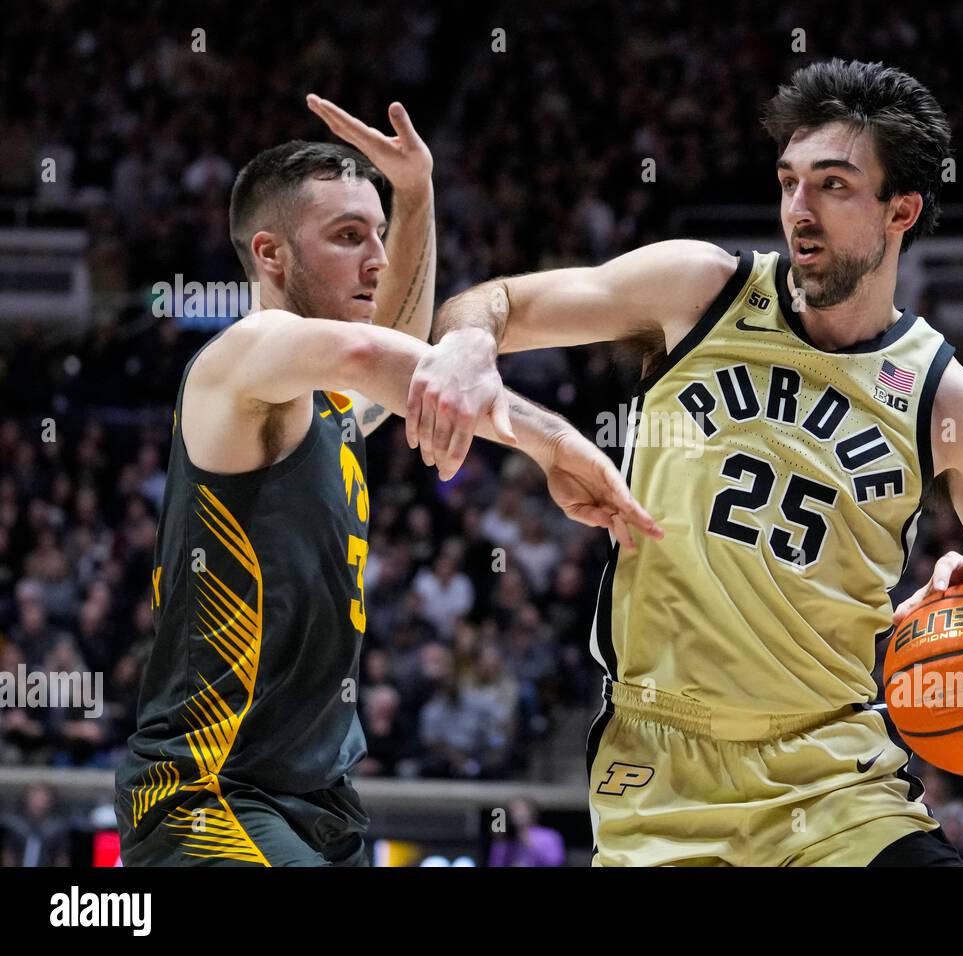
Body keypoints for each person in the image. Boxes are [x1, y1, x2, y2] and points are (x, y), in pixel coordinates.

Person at [422, 60, 963, 866]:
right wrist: (466, 344)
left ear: (901, 208)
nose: (799, 210)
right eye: (789, 181)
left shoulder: (949, 400)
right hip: (659, 767)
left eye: (833, 186)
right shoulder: (699, 291)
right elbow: (496, 303)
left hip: (834, 778)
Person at [114, 97, 659, 867]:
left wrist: (417, 193)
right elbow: (382, 359)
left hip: (314, 801)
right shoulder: (246, 354)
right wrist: (556, 443)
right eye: (346, 237)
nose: (375, 257)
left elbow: (396, 341)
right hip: (208, 797)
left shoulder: (327, 411)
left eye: (377, 234)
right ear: (270, 255)